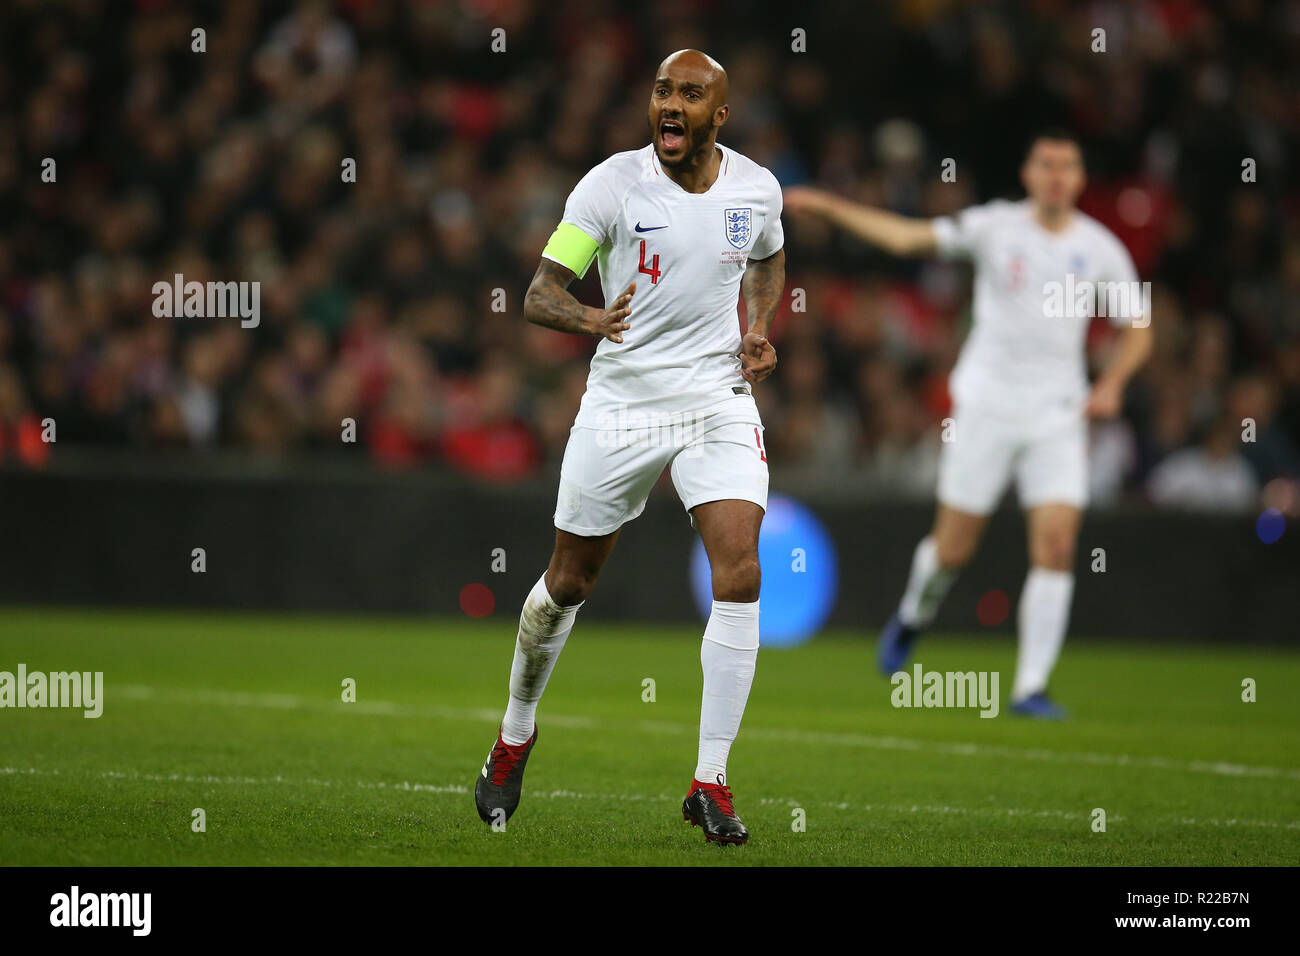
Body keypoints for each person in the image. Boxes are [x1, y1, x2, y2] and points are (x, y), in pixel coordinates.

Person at [474, 50, 786, 843]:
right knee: (568, 583)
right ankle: (514, 736)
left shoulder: (756, 189)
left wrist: (756, 329)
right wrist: (591, 320)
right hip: (623, 402)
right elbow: (542, 293)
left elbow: (770, 259)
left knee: (742, 570)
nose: (670, 105)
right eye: (661, 91)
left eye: (689, 94)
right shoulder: (611, 185)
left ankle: (710, 781)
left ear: (719, 114)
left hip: (716, 396)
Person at [784, 130, 1152, 718]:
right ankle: (914, 613)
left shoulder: (1100, 248)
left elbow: (1139, 326)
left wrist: (1112, 384)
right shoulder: (995, 226)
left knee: (1057, 544)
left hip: (1059, 411)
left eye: (1068, 165)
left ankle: (1031, 686)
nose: (1056, 174)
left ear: (1080, 179)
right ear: (1029, 174)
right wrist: (831, 207)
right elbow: (908, 238)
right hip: (987, 405)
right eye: (1046, 163)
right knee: (954, 549)